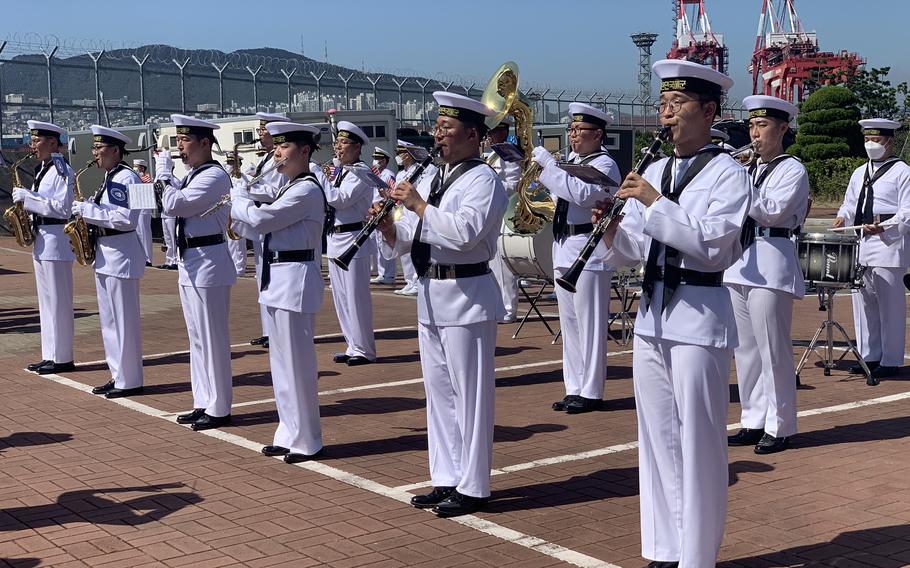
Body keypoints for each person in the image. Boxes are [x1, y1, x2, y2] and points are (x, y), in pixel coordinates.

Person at [599, 59, 750, 567]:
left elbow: (709, 245)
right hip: (653, 315)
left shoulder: (729, 172)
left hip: (699, 316)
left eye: (677, 104)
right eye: (662, 104)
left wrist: (654, 201)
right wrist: (615, 232)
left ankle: (698, 555)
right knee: (657, 434)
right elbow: (644, 246)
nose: (666, 114)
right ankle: (665, 547)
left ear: (708, 110)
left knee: (700, 439)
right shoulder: (659, 168)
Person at [376, 91, 507, 517]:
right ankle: (446, 477)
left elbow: (464, 232)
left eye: (446, 129)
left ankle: (474, 485)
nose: (438, 135)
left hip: (467, 296)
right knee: (439, 395)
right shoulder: (435, 176)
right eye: (437, 127)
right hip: (432, 295)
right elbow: (415, 232)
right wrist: (389, 229)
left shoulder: (484, 180)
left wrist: (415, 203)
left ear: (472, 134)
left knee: (470, 396)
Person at [231, 122, 325, 464]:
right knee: (281, 365)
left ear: (303, 151)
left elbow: (261, 220)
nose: (276, 152)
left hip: (295, 280)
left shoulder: (306, 190)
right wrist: (245, 207)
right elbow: (252, 225)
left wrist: (239, 198)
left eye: (284, 148)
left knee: (298, 365)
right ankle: (288, 432)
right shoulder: (287, 187)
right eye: (276, 147)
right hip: (276, 278)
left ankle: (308, 439)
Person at [724, 95, 808, 455]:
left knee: (773, 349)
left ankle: (780, 424)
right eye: (752, 126)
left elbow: (771, 212)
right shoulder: (750, 169)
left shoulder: (793, 169)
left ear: (783, 128)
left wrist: (735, 180)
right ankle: (753, 418)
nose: (754, 134)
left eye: (762, 126)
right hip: (740, 262)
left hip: (772, 262)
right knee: (745, 350)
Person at [531, 103, 621, 414]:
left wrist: (550, 168)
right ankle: (574, 386)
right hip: (564, 243)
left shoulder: (605, 165)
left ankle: (592, 390)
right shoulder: (572, 162)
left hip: (590, 249)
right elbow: (563, 196)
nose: (573, 136)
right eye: (571, 130)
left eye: (578, 131)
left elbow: (585, 195)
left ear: (597, 133)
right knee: (569, 324)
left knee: (590, 323)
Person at [156, 114, 236, 431]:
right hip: (191, 262)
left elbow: (177, 205)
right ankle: (202, 400)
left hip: (209, 262)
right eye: (177, 140)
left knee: (213, 338)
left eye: (185, 140)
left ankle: (219, 407)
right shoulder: (192, 174)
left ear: (205, 143)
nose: (180, 147)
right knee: (197, 339)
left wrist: (163, 174)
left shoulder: (213, 176)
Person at [834, 118, 910, 380]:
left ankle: (890, 359)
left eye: (876, 141)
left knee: (890, 306)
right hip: (862, 244)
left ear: (889, 141)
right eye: (867, 140)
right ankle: (870, 355)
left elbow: (907, 211)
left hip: (888, 245)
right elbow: (850, 203)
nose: (871, 145)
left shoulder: (903, 172)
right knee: (863, 303)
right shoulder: (859, 172)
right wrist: (842, 217)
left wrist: (884, 227)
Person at [75, 125, 146, 398]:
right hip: (106, 255)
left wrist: (87, 211)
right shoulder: (111, 177)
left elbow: (128, 219)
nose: (95, 154)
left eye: (99, 148)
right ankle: (118, 375)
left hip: (122, 255)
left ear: (115, 150)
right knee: (109, 321)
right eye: (93, 148)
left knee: (124, 322)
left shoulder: (128, 178)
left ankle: (130, 379)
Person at [13, 120, 76, 375]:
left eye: (37, 140)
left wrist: (29, 199)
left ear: (52, 143)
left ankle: (62, 357)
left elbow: (62, 207)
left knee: (59, 301)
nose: (33, 145)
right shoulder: (43, 169)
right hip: (42, 238)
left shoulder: (62, 170)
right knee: (46, 302)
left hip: (56, 238)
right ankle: (49, 354)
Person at [325, 120, 377, 366]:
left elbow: (339, 199)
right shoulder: (342, 172)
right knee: (341, 298)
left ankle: (365, 349)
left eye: (344, 143)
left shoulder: (361, 172)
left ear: (357, 147)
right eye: (337, 143)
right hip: (335, 237)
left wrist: (318, 178)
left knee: (356, 298)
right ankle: (352, 344)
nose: (339, 148)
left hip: (354, 237)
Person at [244, 112, 291, 349]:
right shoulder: (267, 160)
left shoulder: (278, 161)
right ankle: (267, 329)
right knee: (261, 279)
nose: (260, 133)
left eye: (264, 129)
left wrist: (245, 190)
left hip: (273, 222)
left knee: (269, 279)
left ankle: (273, 330)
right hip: (262, 226)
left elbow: (275, 193)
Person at [484, 120, 521, 323]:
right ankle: (499, 305)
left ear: (503, 131)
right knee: (493, 264)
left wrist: (491, 185)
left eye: (493, 131)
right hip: (492, 213)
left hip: (506, 212)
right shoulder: (492, 155)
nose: (489, 135)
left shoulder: (509, 153)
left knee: (503, 266)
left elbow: (514, 184)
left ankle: (508, 307)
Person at [393, 140, 438, 296]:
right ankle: (410, 281)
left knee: (417, 242)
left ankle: (416, 279)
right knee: (406, 246)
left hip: (417, 208)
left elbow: (426, 191)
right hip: (403, 209)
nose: (398, 156)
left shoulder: (424, 169)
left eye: (401, 153)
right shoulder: (400, 173)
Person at [370, 146, 398, 285]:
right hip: (375, 209)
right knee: (378, 243)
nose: (375, 161)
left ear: (385, 161)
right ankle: (382, 273)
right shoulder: (375, 175)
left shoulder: (388, 174)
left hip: (385, 208)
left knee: (386, 243)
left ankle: (390, 274)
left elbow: (392, 191)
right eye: (374, 158)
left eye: (378, 159)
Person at [224, 152, 248, 276]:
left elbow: (246, 194)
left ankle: (239, 267)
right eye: (228, 162)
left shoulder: (243, 178)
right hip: (227, 212)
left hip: (238, 211)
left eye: (231, 163)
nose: (229, 165)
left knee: (238, 242)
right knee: (229, 242)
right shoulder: (225, 177)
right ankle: (232, 265)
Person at [154, 150, 178, 270]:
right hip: (164, 213)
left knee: (173, 238)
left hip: (172, 214)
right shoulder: (161, 180)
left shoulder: (174, 180)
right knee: (168, 238)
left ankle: (175, 259)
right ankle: (169, 259)